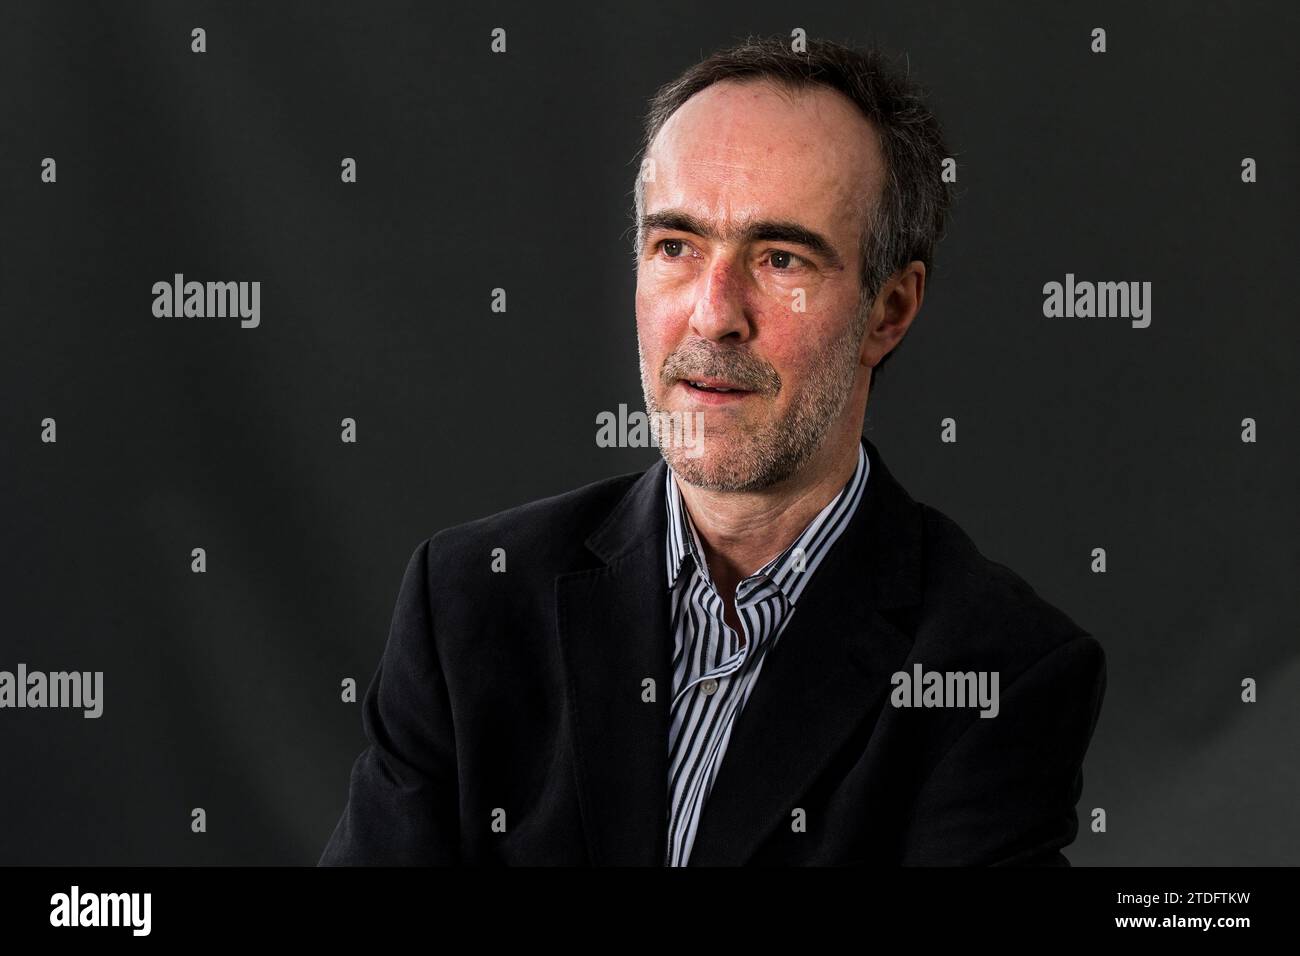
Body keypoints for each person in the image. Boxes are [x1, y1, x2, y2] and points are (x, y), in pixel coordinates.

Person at [319, 35, 1106, 867]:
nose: (712, 314)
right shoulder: (470, 602)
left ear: (890, 310)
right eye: (676, 247)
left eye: (779, 258)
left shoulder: (996, 672)